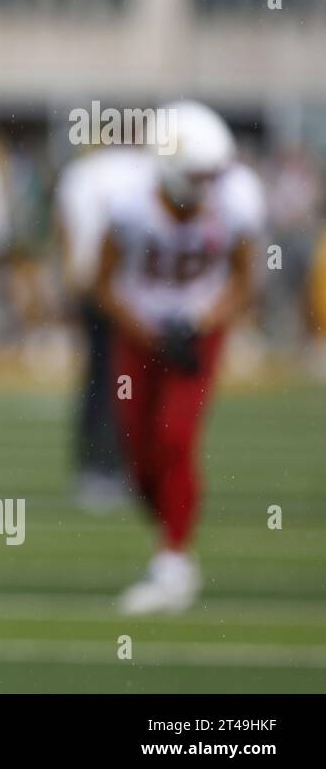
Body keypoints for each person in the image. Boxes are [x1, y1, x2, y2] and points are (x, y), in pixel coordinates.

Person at [93, 101, 264, 615]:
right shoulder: (128, 202)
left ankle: (173, 562)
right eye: (200, 174)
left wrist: (201, 322)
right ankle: (172, 529)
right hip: (139, 333)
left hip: (197, 334)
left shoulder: (237, 200)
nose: (211, 184)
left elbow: (243, 277)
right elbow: (99, 281)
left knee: (175, 438)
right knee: (140, 458)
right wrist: (145, 327)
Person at [53, 140, 153, 512]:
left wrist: (72, 279)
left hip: (92, 284)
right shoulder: (145, 169)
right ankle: (124, 463)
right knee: (130, 378)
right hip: (132, 288)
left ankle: (95, 465)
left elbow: (65, 229)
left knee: (98, 376)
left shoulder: (82, 171)